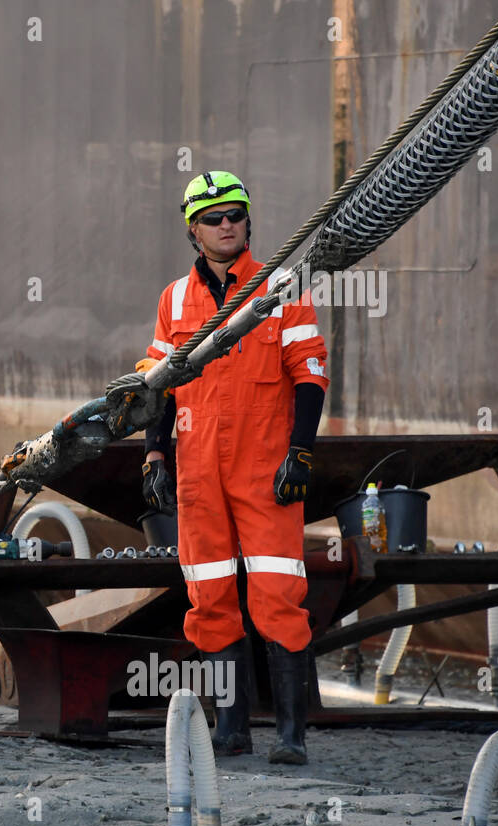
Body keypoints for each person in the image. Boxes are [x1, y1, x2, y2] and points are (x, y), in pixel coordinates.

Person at [140, 171, 328, 764]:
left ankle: (292, 737)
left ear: (248, 221)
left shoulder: (279, 289)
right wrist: (153, 452)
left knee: (277, 593)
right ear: (193, 230)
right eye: (214, 217)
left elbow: (310, 372)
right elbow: (158, 385)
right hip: (199, 474)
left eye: (236, 215)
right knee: (211, 597)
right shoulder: (174, 300)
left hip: (266, 469)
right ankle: (232, 729)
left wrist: (300, 450)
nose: (227, 225)